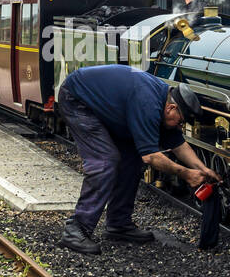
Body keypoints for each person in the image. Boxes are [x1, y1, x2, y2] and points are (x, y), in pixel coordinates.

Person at [56, 64, 219, 255]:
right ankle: (76, 230)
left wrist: (203, 169)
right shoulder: (148, 103)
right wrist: (186, 174)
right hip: (78, 99)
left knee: (131, 160)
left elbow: (179, 145)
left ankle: (118, 224)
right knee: (105, 161)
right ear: (171, 108)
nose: (180, 126)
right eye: (180, 121)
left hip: (106, 109)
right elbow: (150, 156)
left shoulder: (163, 103)